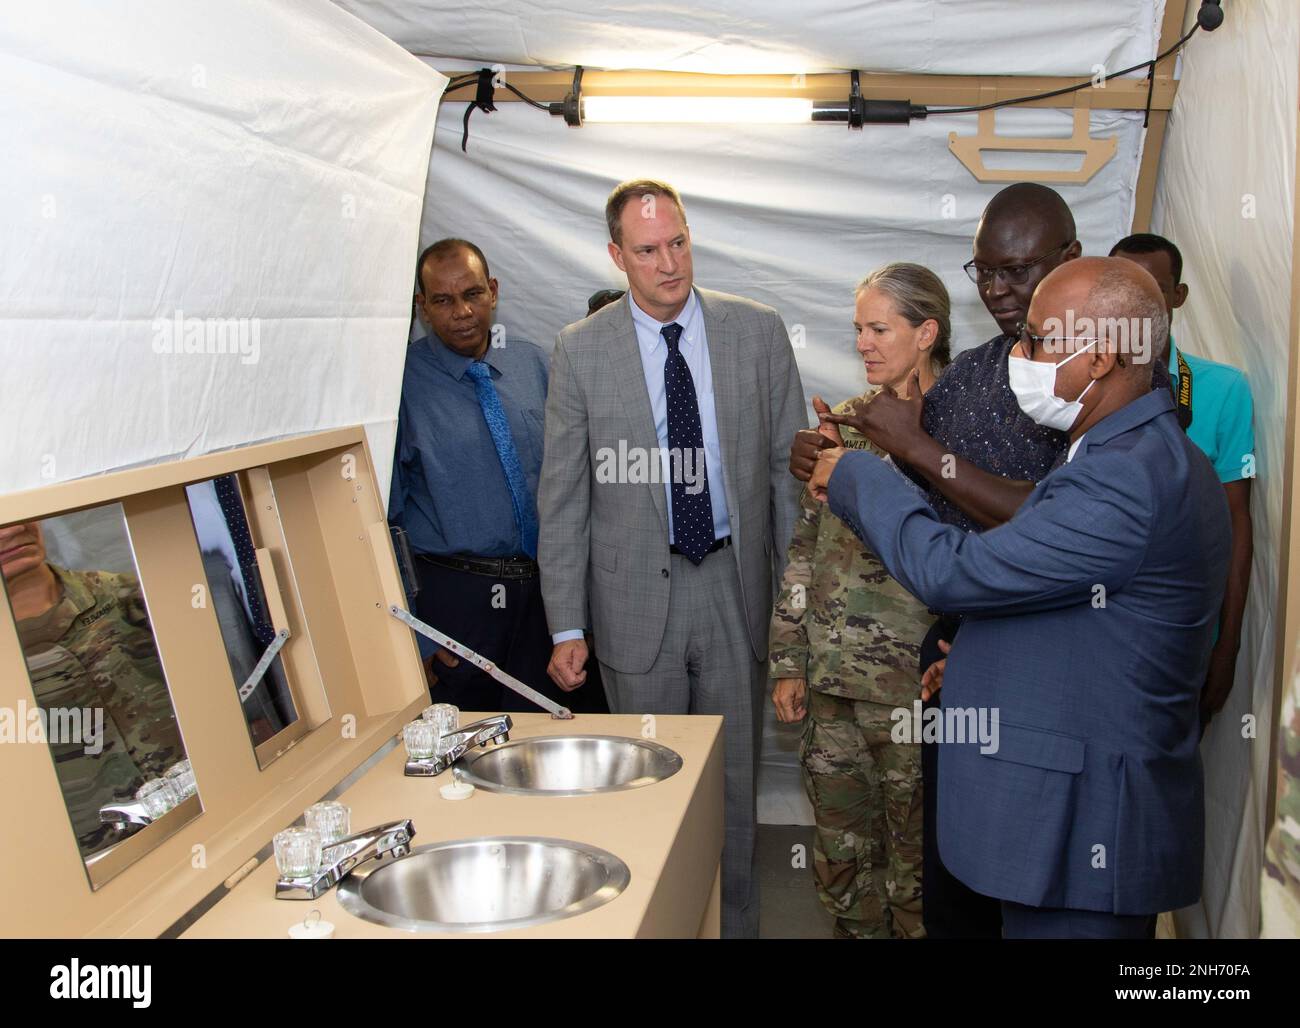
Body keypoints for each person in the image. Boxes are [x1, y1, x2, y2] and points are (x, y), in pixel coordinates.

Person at [810, 257, 1231, 938]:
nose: (1019, 355)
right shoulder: (1121, 453)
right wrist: (977, 657)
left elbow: (956, 571)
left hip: (1086, 832)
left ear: (1098, 360)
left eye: (1037, 340)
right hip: (1065, 812)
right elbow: (1074, 606)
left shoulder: (1126, 478)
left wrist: (862, 473)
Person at [791, 183, 1086, 938]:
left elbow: (1051, 526)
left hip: (1043, 671)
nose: (998, 289)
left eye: (1016, 271)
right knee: (921, 868)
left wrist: (910, 455)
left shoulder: (1099, 378)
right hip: (942, 660)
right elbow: (816, 554)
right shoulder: (966, 386)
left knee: (1004, 872)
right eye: (984, 271)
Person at [538, 179, 806, 937]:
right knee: (647, 787)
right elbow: (563, 497)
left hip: (733, 583)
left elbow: (791, 486)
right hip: (632, 600)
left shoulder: (756, 333)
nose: (669, 263)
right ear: (617, 255)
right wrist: (566, 626)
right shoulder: (580, 350)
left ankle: (736, 926)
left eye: (679, 241)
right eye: (649, 250)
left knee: (731, 786)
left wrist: (792, 614)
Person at [770, 263, 950, 939]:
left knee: (917, 867)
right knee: (843, 861)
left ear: (926, 332)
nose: (864, 344)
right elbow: (804, 554)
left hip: (916, 689)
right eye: (858, 331)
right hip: (833, 687)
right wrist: (788, 662)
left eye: (880, 329)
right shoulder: (839, 427)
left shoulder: (960, 435)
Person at [389, 238, 603, 714]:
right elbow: (383, 521)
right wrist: (416, 638)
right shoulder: (400, 385)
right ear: (422, 308)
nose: (461, 312)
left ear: (493, 291)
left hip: (546, 601)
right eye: (442, 301)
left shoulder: (533, 364)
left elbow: (574, 483)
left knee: (555, 742)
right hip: (456, 605)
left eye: (471, 294)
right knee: (468, 759)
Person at [1110, 233, 1255, 728]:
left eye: (1153, 287)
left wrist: (1228, 646)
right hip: (1095, 632)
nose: (1137, 304)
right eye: (1123, 288)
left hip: (1180, 643)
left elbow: (1238, 524)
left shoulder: (1223, 389)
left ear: (1178, 297)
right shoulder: (1076, 383)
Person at [1, 519, 185, 858]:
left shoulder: (128, 600)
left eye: (15, 509)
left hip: (206, 822)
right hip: (91, 876)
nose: (11, 530)